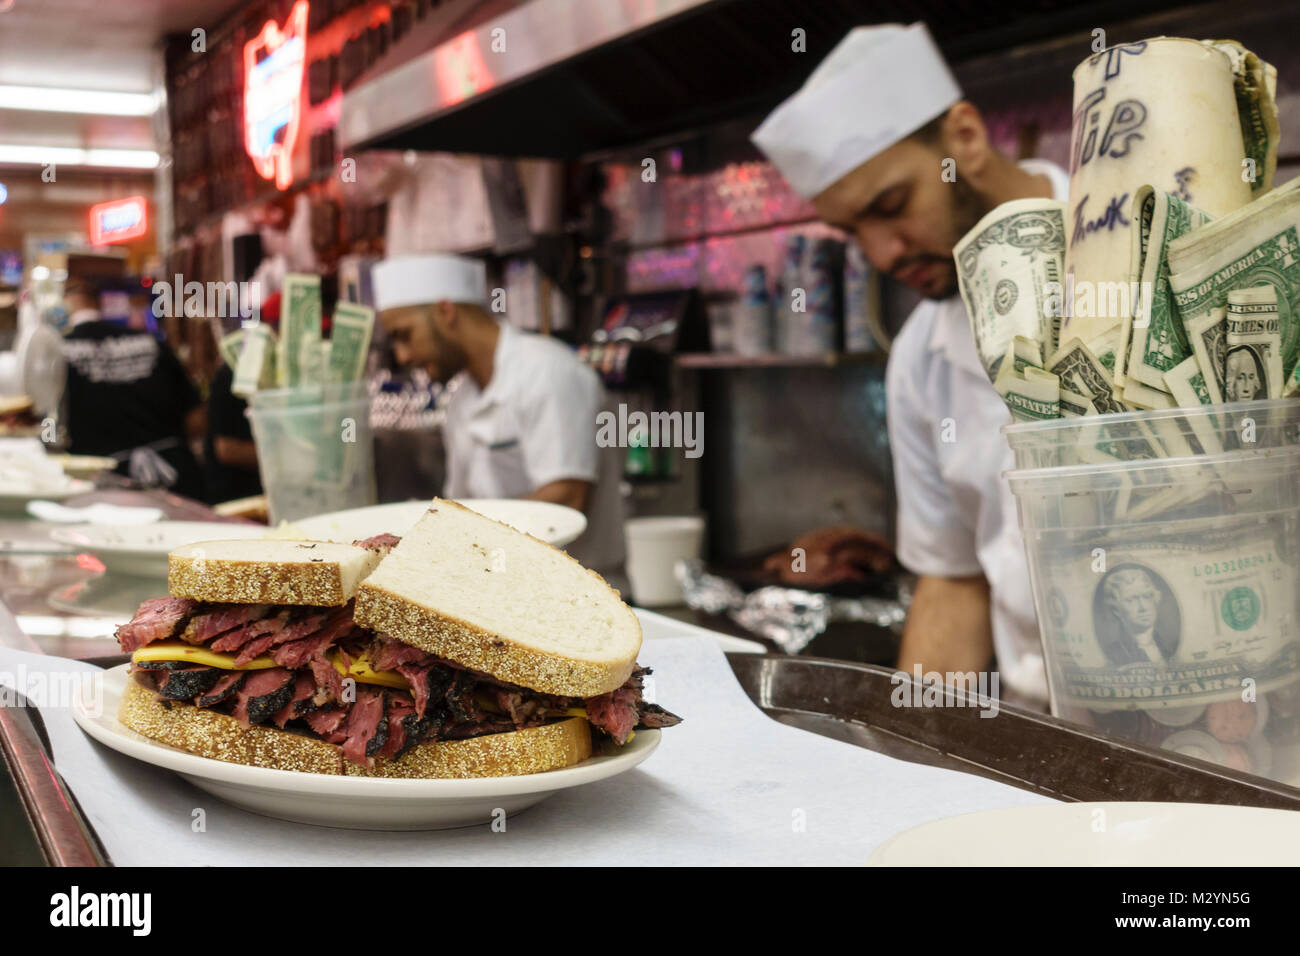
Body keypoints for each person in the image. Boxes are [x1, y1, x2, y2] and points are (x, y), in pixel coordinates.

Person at [752, 23, 1070, 705]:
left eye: (891, 206)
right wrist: (909, 767)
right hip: (1041, 739)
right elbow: (954, 580)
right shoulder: (920, 358)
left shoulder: (1141, 259)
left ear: (965, 138)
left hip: (1228, 748)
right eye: (851, 232)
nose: (884, 254)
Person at [371, 253, 625, 579]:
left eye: (404, 335)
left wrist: (463, 546)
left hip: (587, 598)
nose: (404, 355)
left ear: (445, 311)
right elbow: (459, 509)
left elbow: (566, 497)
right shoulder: (462, 400)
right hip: (509, 595)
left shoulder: (547, 372)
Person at [60, 279, 205, 498]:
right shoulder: (150, 342)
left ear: (64, 306)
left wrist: (49, 443)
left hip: (100, 485)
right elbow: (197, 419)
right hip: (176, 477)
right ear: (99, 304)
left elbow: (49, 421)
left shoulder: (58, 352)